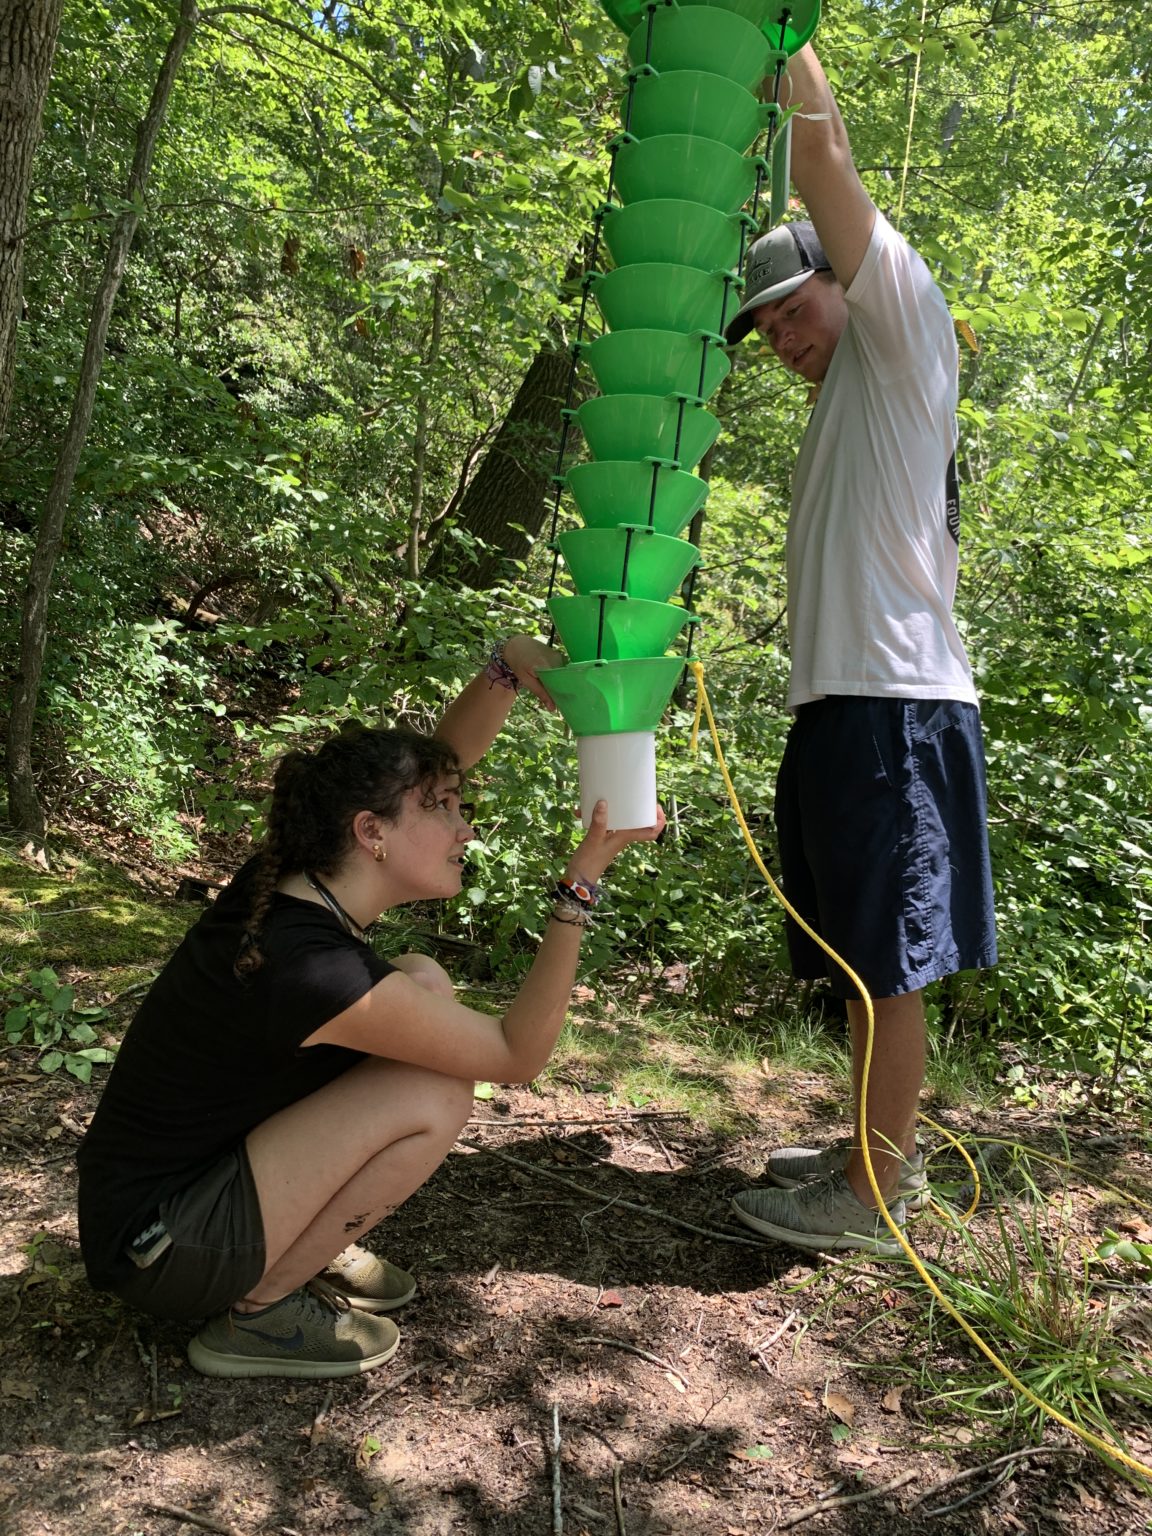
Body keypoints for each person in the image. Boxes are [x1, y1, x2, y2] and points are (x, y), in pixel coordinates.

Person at [77, 637, 664, 1378]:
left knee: (421, 978)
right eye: (444, 810)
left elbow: (439, 758)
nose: (465, 828)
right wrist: (578, 888)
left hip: (166, 1204)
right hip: (163, 1249)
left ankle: (302, 1233)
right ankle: (259, 1309)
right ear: (371, 832)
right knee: (434, 1092)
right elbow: (518, 1055)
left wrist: (507, 670)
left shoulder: (297, 877)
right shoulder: (314, 969)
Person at [723, 46, 997, 1255]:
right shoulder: (854, 397)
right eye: (766, 327)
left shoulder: (902, 328)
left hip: (892, 706)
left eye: (794, 305)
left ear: (850, 277)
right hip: (848, 707)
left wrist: (780, 42)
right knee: (857, 952)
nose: (781, 334)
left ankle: (876, 1196)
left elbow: (824, 155)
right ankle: (872, 1150)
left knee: (884, 961)